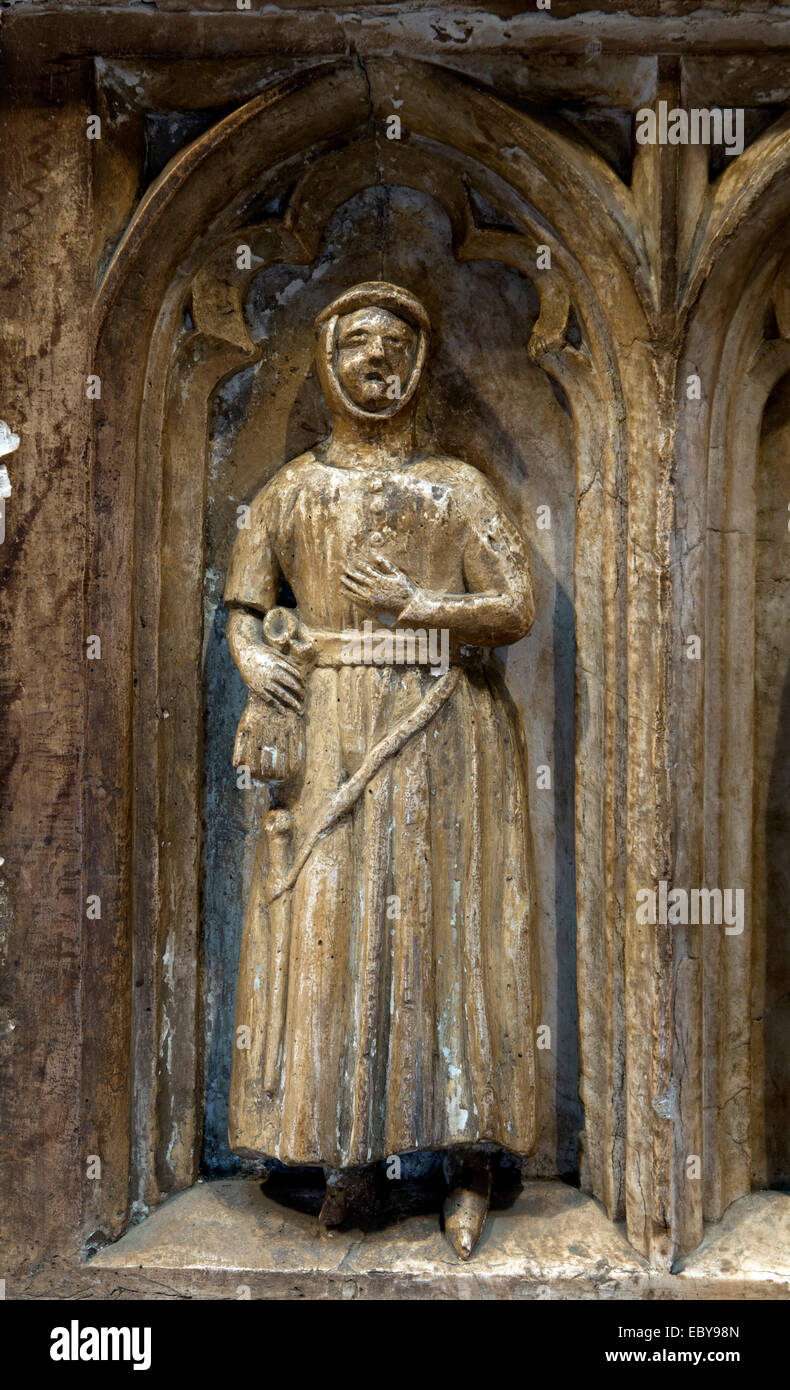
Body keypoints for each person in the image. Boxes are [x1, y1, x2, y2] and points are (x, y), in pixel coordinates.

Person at [224, 281, 539, 1258]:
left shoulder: (455, 486)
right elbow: (242, 605)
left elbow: (517, 604)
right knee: (330, 925)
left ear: (418, 364)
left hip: (444, 730)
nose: (377, 362)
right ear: (327, 361)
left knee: (448, 932)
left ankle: (463, 1159)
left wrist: (421, 607)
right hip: (324, 727)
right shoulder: (290, 491)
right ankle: (344, 1148)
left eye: (396, 346)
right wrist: (254, 658)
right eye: (358, 344)